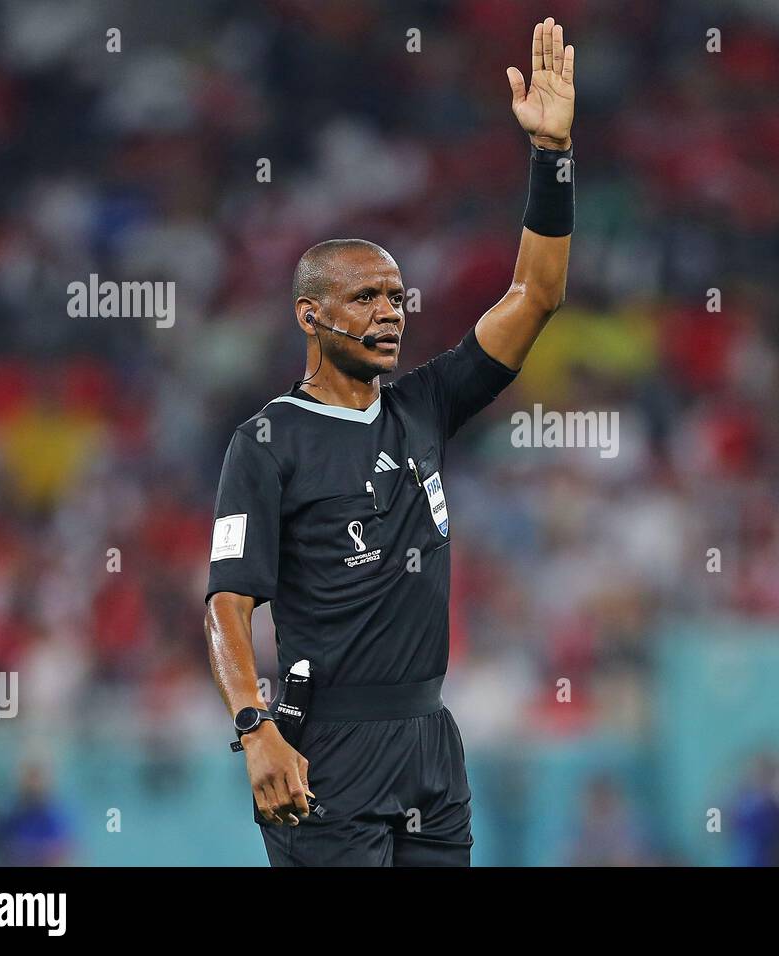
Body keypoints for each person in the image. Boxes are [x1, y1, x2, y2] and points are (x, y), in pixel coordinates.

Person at [203, 18, 576, 866]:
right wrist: (255, 730)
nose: (390, 315)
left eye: (399, 299)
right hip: (324, 746)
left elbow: (537, 293)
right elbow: (226, 606)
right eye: (367, 298)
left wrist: (552, 156)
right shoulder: (267, 442)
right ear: (311, 315)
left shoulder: (425, 405)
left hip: (430, 743)